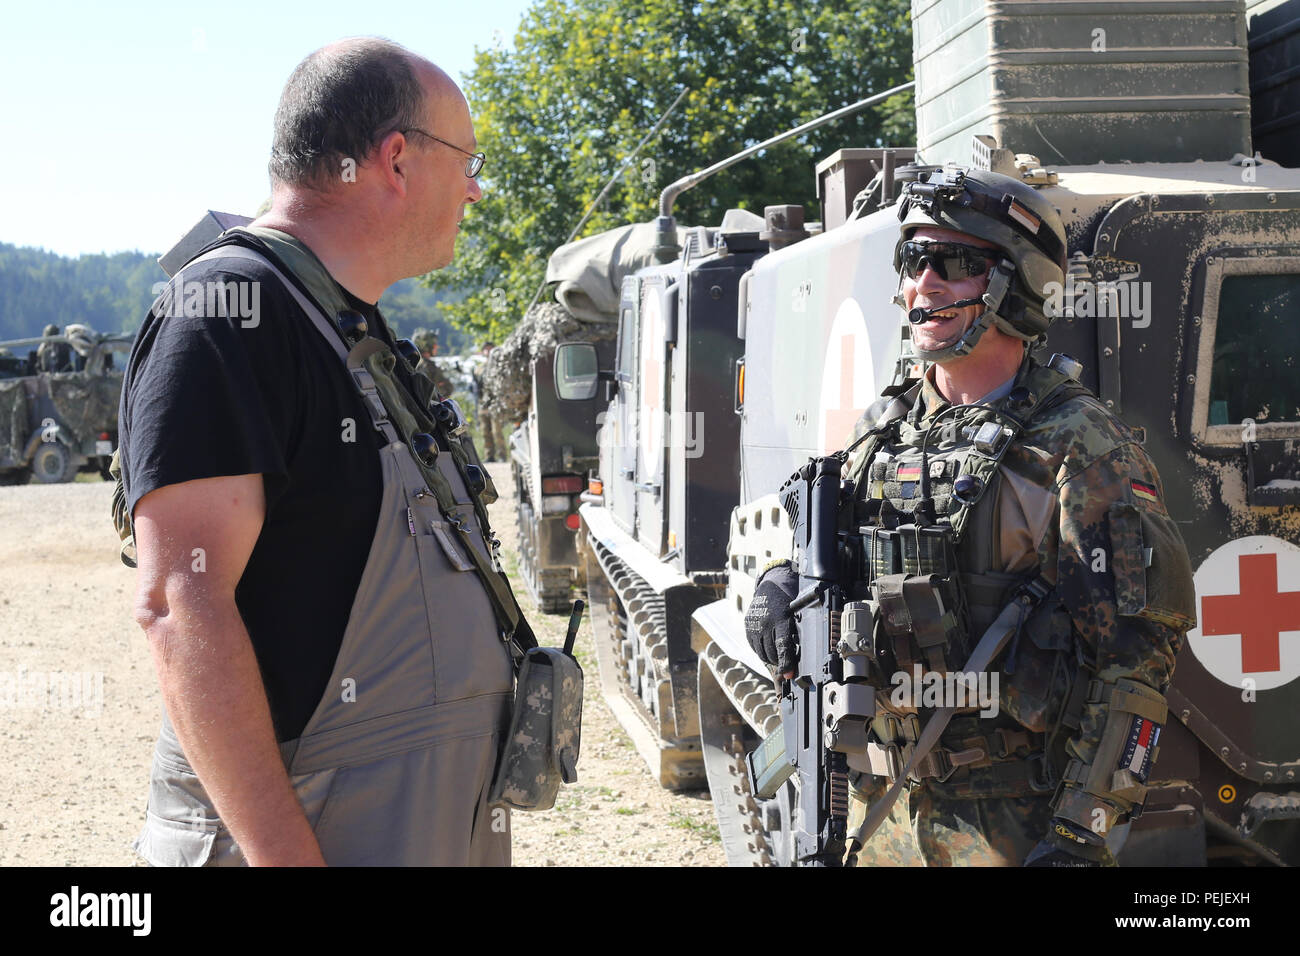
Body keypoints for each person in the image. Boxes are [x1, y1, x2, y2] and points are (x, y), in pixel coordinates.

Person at [119, 38, 532, 866]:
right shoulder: (225, 313)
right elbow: (181, 605)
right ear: (395, 160)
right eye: (468, 160)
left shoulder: (347, 324)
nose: (477, 188)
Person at [745, 165, 1196, 867]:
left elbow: (1135, 665)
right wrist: (780, 588)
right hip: (883, 808)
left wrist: (1082, 834)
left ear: (1016, 284)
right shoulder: (882, 430)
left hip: (1015, 825)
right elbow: (835, 567)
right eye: (912, 260)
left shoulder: (1078, 445)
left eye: (954, 263)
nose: (925, 283)